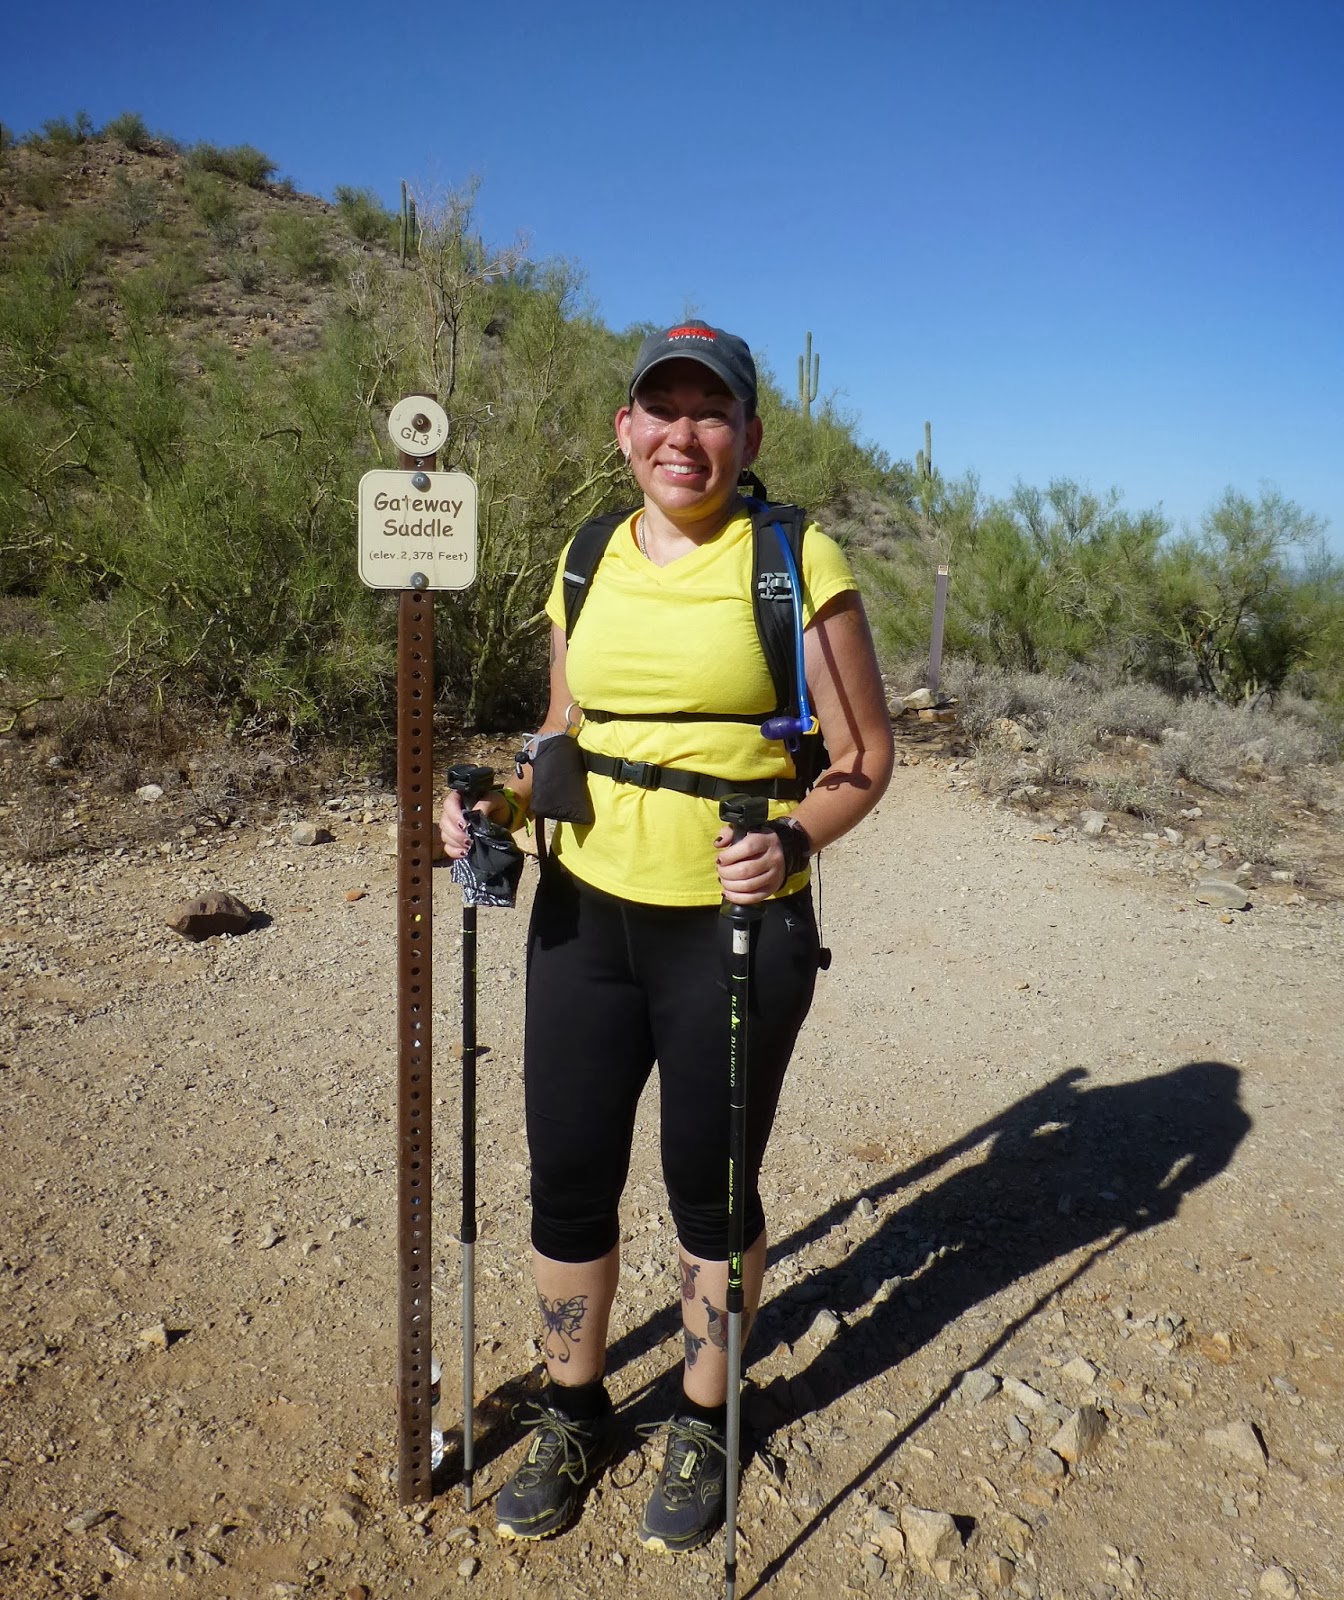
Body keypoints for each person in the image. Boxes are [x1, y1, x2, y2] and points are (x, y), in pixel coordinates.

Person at [440, 320, 894, 1552]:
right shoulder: (586, 556)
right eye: (662, 409)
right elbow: (562, 736)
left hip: (735, 930)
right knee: (569, 1181)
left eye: (710, 412)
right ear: (624, 429)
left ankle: (705, 1415)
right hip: (583, 916)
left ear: (749, 433)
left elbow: (863, 761)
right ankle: (574, 1409)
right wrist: (496, 802)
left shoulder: (794, 557)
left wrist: (793, 842)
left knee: (711, 1190)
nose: (682, 433)